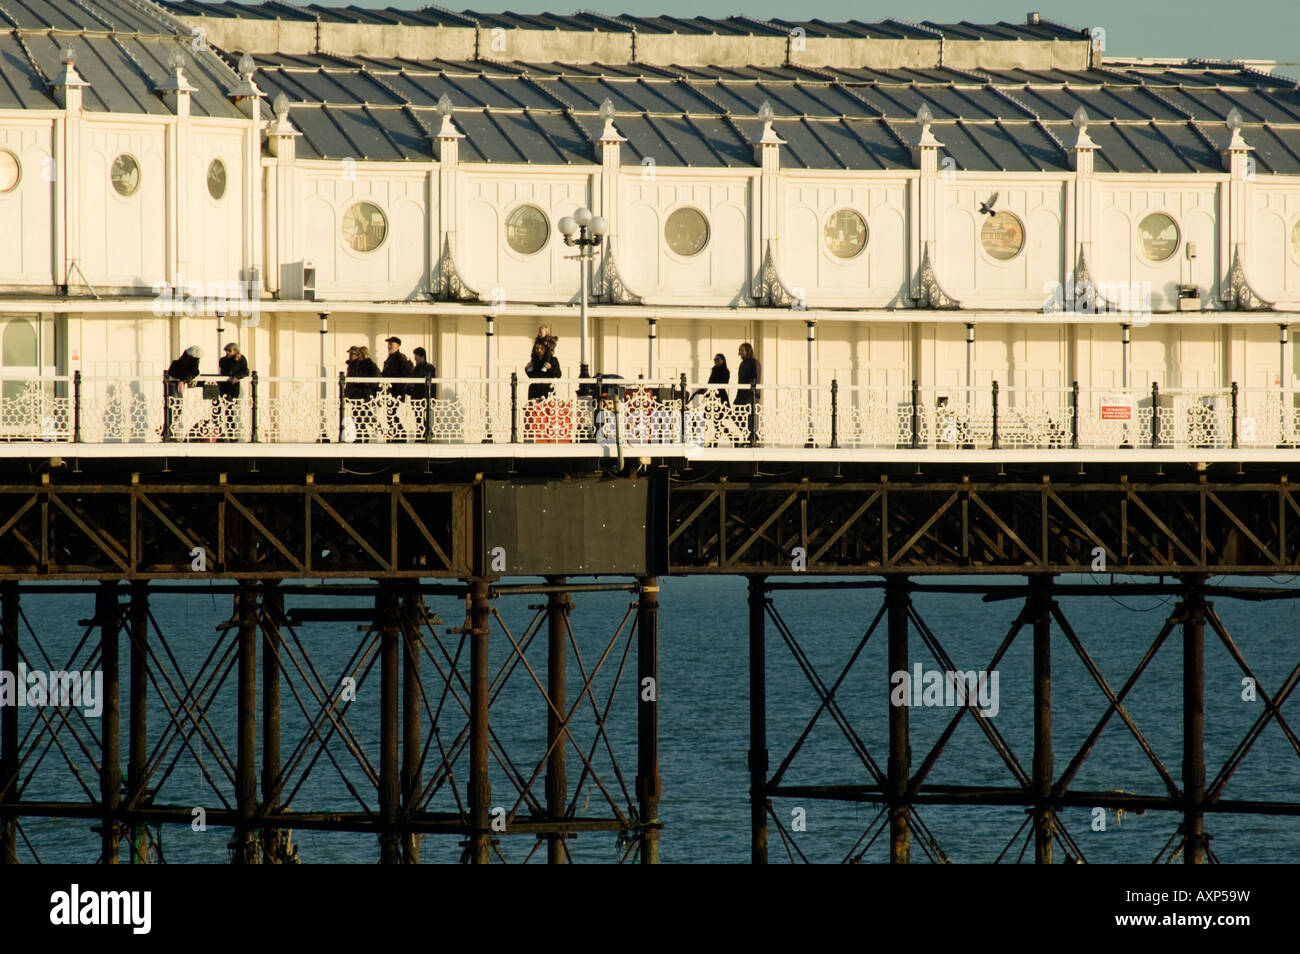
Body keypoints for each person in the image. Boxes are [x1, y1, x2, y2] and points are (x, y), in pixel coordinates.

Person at [165, 346, 202, 441]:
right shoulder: (176, 364)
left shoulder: (192, 366)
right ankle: (169, 430)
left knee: (177, 408)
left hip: (178, 388)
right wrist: (182, 380)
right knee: (173, 407)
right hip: (174, 387)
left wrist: (183, 380)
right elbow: (173, 372)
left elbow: (194, 372)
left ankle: (172, 430)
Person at [381, 336, 414, 442]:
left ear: (398, 345)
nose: (389, 346)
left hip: (396, 390)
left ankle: (400, 435)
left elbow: (406, 372)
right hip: (390, 390)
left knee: (392, 413)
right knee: (389, 413)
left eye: (392, 344)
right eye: (389, 344)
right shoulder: (390, 358)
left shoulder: (400, 358)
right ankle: (394, 435)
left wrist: (402, 386)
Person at [345, 345, 381, 441]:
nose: (350, 356)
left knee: (361, 415)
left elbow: (374, 379)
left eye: (353, 354)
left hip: (362, 394)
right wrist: (347, 393)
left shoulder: (365, 365)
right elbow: (350, 381)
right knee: (358, 416)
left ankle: (371, 431)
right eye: (350, 354)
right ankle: (363, 435)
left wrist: (371, 390)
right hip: (355, 394)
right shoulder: (353, 365)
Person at [216, 341, 249, 441]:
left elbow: (245, 371)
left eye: (229, 351)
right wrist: (234, 361)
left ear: (235, 351)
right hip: (223, 387)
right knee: (220, 411)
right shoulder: (223, 360)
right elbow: (228, 369)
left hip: (233, 389)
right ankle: (223, 434)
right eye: (226, 351)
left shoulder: (241, 359)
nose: (227, 353)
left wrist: (237, 376)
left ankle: (233, 435)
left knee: (231, 411)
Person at [735, 342, 760, 443]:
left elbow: (756, 378)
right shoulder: (742, 364)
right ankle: (748, 435)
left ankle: (752, 438)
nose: (740, 352)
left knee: (751, 417)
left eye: (742, 350)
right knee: (736, 414)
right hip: (741, 395)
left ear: (748, 351)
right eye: (739, 350)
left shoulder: (755, 363)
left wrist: (753, 393)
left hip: (751, 395)